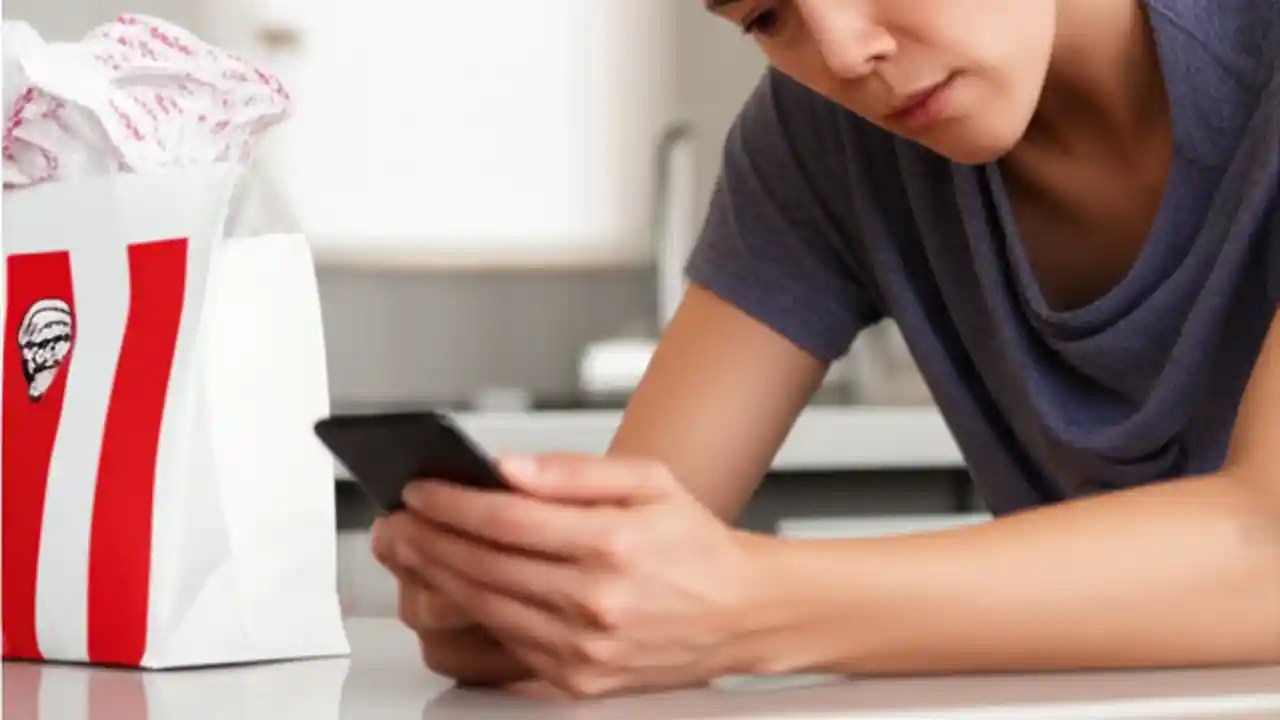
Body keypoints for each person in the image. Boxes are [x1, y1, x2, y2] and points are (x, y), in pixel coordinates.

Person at [373, 0, 1280, 698]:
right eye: (768, 17)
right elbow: (639, 542)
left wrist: (741, 609)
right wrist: (537, 598)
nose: (843, 54)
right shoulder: (822, 143)